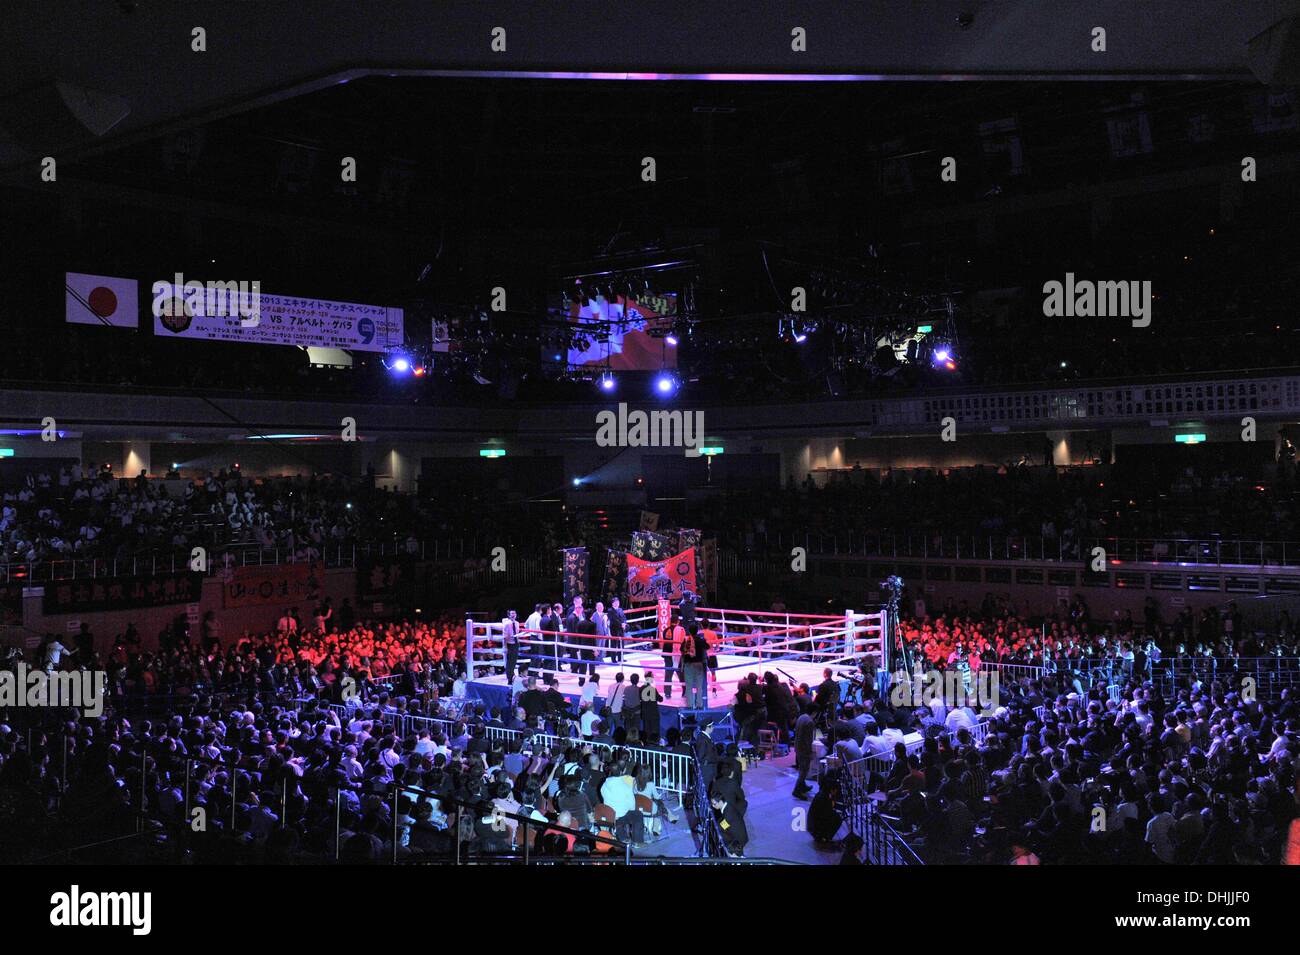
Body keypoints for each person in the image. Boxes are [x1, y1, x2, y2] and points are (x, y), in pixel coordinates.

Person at [681, 624, 708, 709]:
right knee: (699, 686)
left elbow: (681, 650)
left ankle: (690, 705)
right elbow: (707, 646)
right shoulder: (700, 640)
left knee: (688, 686)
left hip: (688, 664)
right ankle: (699, 705)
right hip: (698, 664)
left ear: (689, 631)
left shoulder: (686, 640)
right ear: (697, 631)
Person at [792, 711, 816, 799]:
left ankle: (802, 786)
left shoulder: (802, 717)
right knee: (804, 770)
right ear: (815, 712)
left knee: (802, 769)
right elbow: (808, 740)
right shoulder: (810, 722)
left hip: (798, 746)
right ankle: (796, 790)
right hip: (804, 750)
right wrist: (810, 752)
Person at [501, 609, 520, 683]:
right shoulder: (506, 624)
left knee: (514, 661)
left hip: (516, 643)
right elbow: (505, 636)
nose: (513, 615)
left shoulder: (517, 623)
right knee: (510, 662)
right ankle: (510, 678)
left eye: (514, 613)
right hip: (509, 644)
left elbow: (517, 633)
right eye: (512, 613)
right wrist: (505, 646)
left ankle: (512, 676)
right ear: (509, 615)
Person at [607, 596, 627, 664]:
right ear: (612, 603)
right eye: (615, 602)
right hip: (614, 629)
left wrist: (624, 623)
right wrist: (621, 624)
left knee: (621, 644)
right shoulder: (610, 610)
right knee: (614, 644)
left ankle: (620, 658)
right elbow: (614, 619)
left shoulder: (620, 609)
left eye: (618, 602)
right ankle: (613, 659)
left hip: (621, 629)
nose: (617, 603)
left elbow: (624, 617)